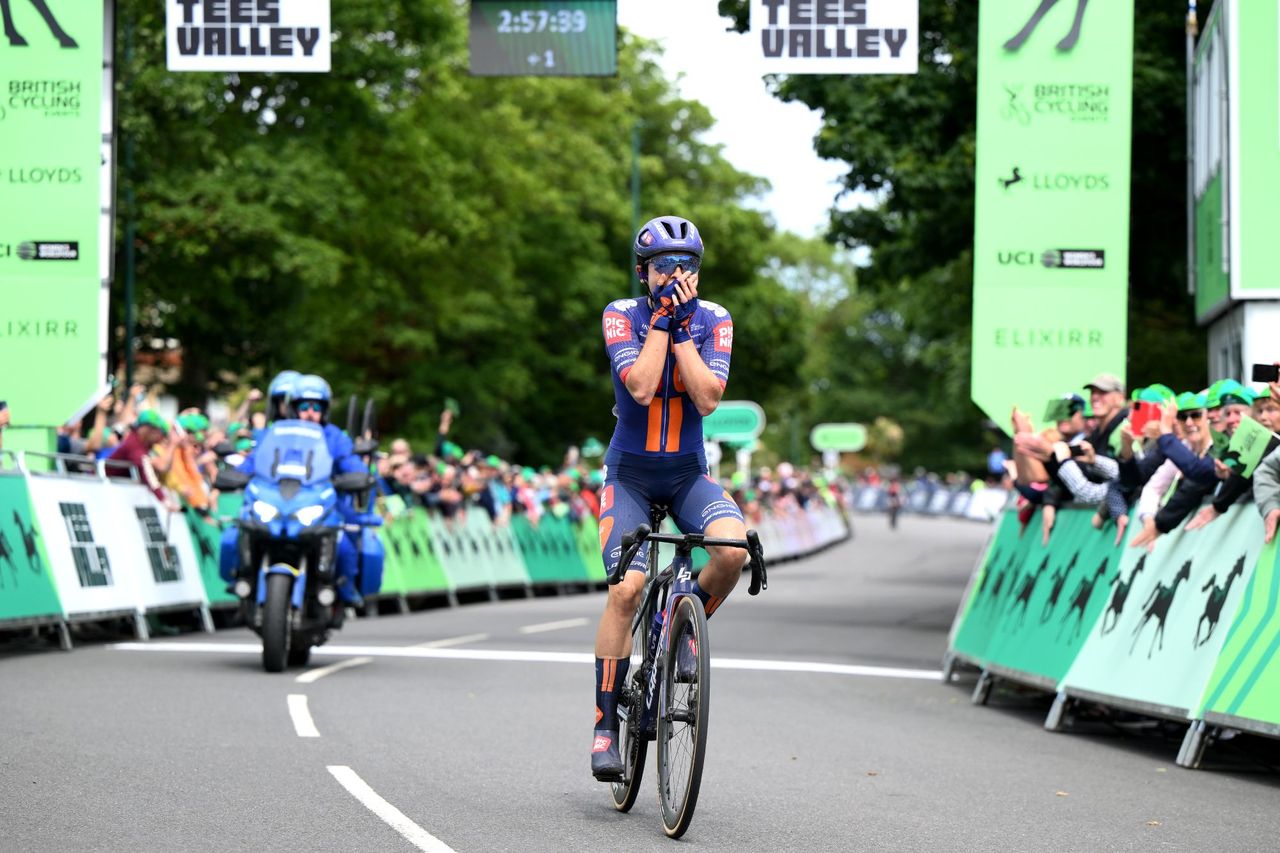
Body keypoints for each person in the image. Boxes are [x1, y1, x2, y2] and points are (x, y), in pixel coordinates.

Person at [590, 214, 749, 781]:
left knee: (732, 552)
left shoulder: (715, 320)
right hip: (629, 475)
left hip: (686, 474)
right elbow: (639, 385)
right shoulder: (621, 314)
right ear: (643, 272)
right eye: (664, 267)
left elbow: (707, 398)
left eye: (686, 266)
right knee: (627, 590)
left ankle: (684, 630)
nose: (676, 274)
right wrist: (661, 322)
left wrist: (683, 329)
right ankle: (605, 725)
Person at [107, 410, 178, 509]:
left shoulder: (144, 445)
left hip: (115, 490)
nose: (160, 437)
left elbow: (163, 467)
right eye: (157, 431)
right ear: (146, 429)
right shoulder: (134, 445)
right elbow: (148, 472)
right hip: (107, 490)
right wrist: (164, 500)